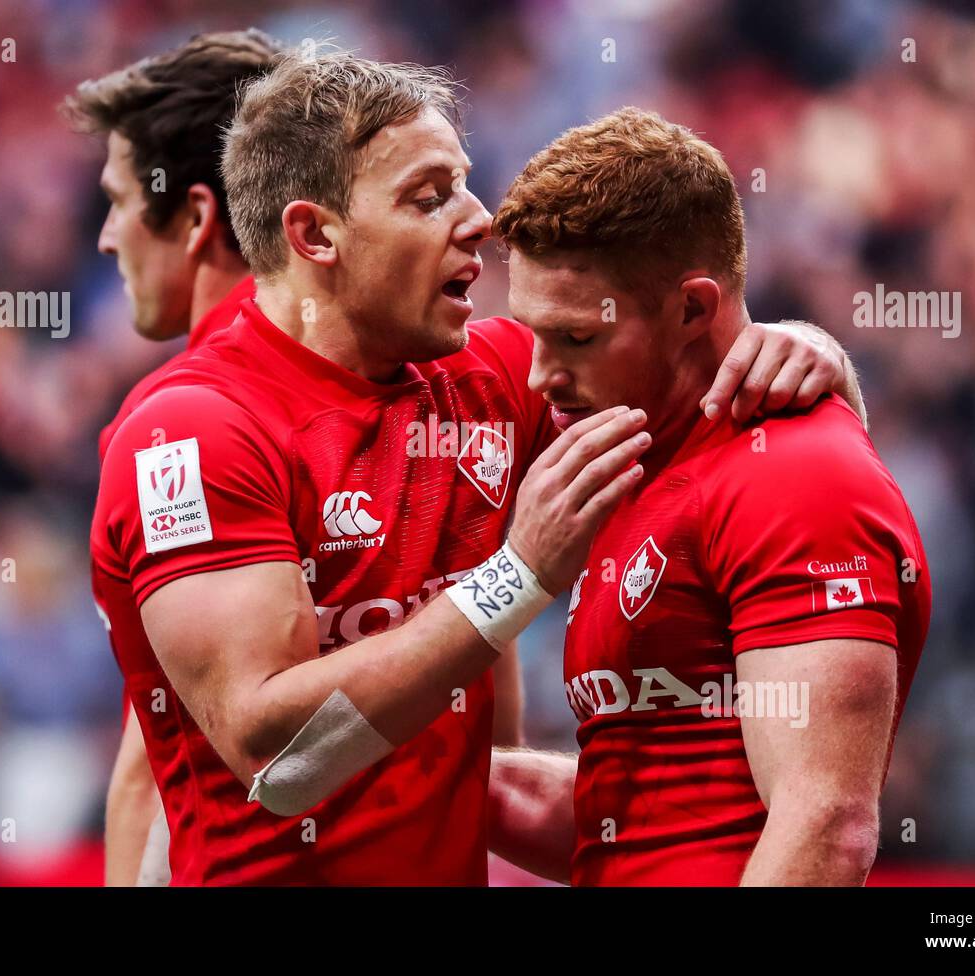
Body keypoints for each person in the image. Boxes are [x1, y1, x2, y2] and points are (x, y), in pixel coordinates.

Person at [91, 49, 865, 885]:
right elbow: (278, 761)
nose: (479, 219)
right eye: (429, 198)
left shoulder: (492, 378)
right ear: (316, 235)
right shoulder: (191, 432)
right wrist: (517, 577)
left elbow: (687, 391)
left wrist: (811, 355)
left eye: (465, 182)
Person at [486, 107, 932, 886]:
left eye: (577, 340)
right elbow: (640, 826)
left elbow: (826, 825)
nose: (540, 377)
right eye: (534, 334)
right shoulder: (634, 460)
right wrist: (379, 763)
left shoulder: (795, 476)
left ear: (694, 308)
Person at [63, 28, 280, 885]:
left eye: (118, 201)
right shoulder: (449, 379)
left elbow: (152, 766)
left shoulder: (174, 424)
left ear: (194, 217)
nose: (109, 237)